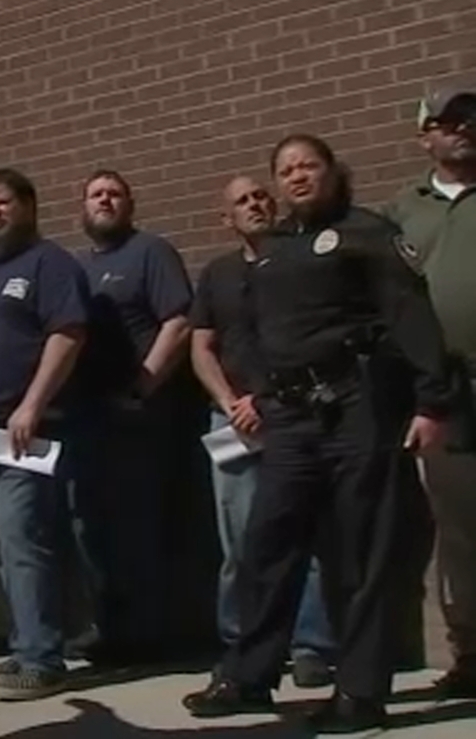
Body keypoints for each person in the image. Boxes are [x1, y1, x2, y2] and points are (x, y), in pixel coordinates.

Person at [184, 134, 453, 732]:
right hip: (291, 418)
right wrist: (253, 395)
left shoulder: (368, 233)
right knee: (266, 546)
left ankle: (359, 694)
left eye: (308, 165)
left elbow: (411, 316)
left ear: (333, 172)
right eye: (286, 169)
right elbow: (255, 335)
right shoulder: (274, 250)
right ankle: (248, 677)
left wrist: (433, 402)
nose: (297, 176)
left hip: (359, 409)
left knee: (360, 555)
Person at [0, 169, 92, 702]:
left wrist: (33, 404)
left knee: (25, 540)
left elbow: (68, 333)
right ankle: (26, 641)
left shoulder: (50, 264)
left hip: (27, 433)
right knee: (1, 544)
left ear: (28, 205)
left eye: (2, 202)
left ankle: (43, 659)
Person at [188, 176, 334, 687]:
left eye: (260, 196)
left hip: (295, 415)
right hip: (230, 426)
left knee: (303, 534)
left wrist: (265, 401)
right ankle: (239, 644)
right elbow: (201, 346)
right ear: (225, 219)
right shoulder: (218, 274)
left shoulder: (302, 260)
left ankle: (312, 645)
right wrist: (229, 402)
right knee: (241, 543)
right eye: (242, 202)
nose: (255, 205)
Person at [72, 169, 196, 664]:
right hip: (87, 415)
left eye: (114, 193)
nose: (105, 200)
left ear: (130, 205)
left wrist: (144, 384)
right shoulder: (77, 267)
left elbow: (179, 321)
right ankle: (107, 630)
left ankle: (146, 637)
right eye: (96, 194)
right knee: (90, 526)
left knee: (136, 527)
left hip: (137, 415)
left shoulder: (150, 252)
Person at [382, 84, 476, 697]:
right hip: (445, 391)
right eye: (448, 122)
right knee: (460, 527)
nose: (462, 129)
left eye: (470, 120)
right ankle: (471, 655)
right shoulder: (401, 211)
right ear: (426, 136)